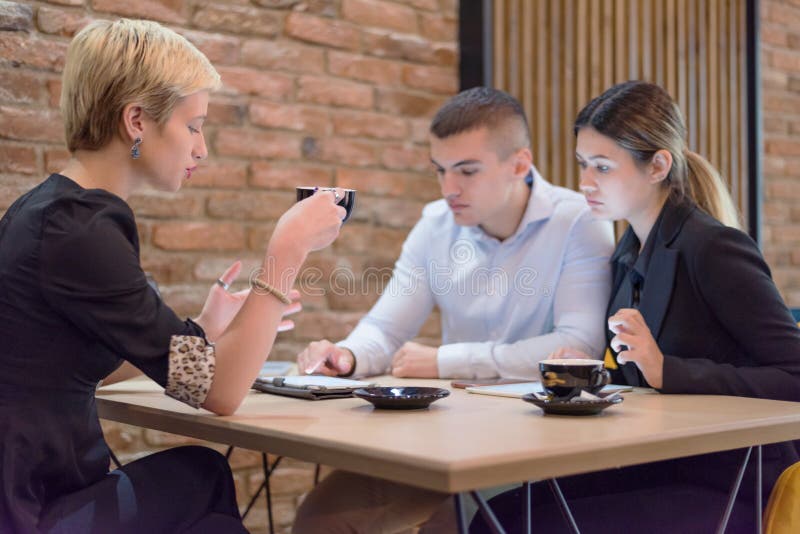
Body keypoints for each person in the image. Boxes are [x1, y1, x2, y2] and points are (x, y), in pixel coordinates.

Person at [0, 19, 345, 533]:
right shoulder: (80, 231)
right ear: (137, 120)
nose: (201, 148)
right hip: (31, 512)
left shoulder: (47, 210)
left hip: (31, 492)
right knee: (206, 486)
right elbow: (220, 392)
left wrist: (203, 329)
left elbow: (75, 360)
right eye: (194, 125)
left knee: (204, 476)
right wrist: (288, 248)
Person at [471, 81, 800, 533]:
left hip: (736, 485)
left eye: (603, 167)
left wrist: (671, 370)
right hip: (662, 464)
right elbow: (638, 378)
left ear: (658, 166)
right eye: (583, 164)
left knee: (519, 523)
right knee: (501, 514)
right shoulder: (628, 253)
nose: (585, 183)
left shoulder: (714, 249)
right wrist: (589, 373)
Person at [291, 88, 615, 532]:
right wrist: (347, 356)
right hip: (453, 436)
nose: (449, 190)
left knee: (451, 525)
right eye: (440, 171)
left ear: (520, 164)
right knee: (320, 516)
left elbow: (578, 346)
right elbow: (385, 329)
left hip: (547, 443)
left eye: (466, 171)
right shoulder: (435, 224)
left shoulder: (579, 220)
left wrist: (445, 360)